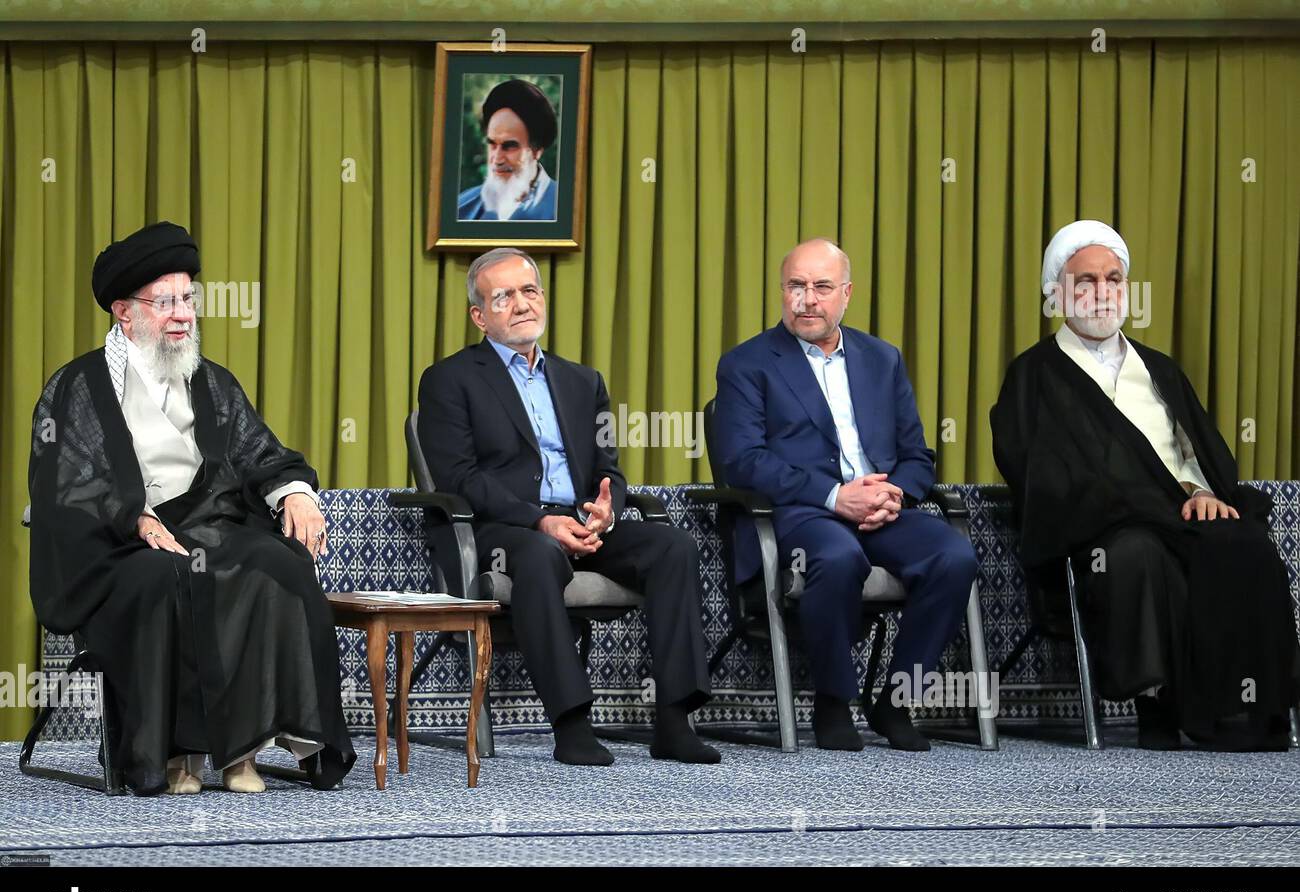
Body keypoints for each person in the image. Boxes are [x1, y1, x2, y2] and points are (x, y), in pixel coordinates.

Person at [28, 221, 356, 795]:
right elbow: (64, 475)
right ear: (124, 313)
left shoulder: (210, 381)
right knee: (168, 575)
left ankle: (246, 752)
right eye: (166, 302)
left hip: (210, 525)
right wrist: (132, 513)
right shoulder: (77, 386)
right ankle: (177, 755)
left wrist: (296, 493)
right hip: (118, 547)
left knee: (278, 563)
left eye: (188, 299)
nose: (183, 314)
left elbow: (261, 451)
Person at [990, 219, 1299, 750]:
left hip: (1184, 510)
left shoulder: (1160, 369)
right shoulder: (1032, 376)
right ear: (1056, 293)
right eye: (1085, 280)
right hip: (1099, 528)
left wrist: (1201, 492)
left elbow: (1195, 452)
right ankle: (1158, 704)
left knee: (1244, 543)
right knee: (1135, 552)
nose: (1102, 292)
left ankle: (1245, 712)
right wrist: (1132, 503)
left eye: (1113, 279)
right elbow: (1036, 472)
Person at [417, 247, 717, 766]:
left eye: (529, 291)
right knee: (539, 554)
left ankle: (674, 718)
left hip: (580, 522)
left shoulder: (583, 381)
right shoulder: (450, 379)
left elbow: (608, 469)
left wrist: (607, 508)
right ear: (479, 315)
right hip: (502, 528)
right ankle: (572, 723)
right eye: (503, 296)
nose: (521, 304)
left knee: (672, 546)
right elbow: (460, 478)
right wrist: (540, 519)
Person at [713, 238, 977, 752]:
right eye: (796, 286)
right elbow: (742, 461)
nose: (807, 299)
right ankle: (834, 702)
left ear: (847, 294)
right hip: (802, 511)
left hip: (881, 508)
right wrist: (836, 496)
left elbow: (917, 455)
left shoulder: (882, 359)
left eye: (822, 287)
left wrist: (892, 493)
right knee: (837, 557)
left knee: (954, 556)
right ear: (782, 292)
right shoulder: (747, 363)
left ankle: (896, 704)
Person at [457, 79, 559, 222]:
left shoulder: (565, 208)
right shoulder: (462, 207)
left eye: (509, 146)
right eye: (492, 144)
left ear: (537, 150)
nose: (497, 159)